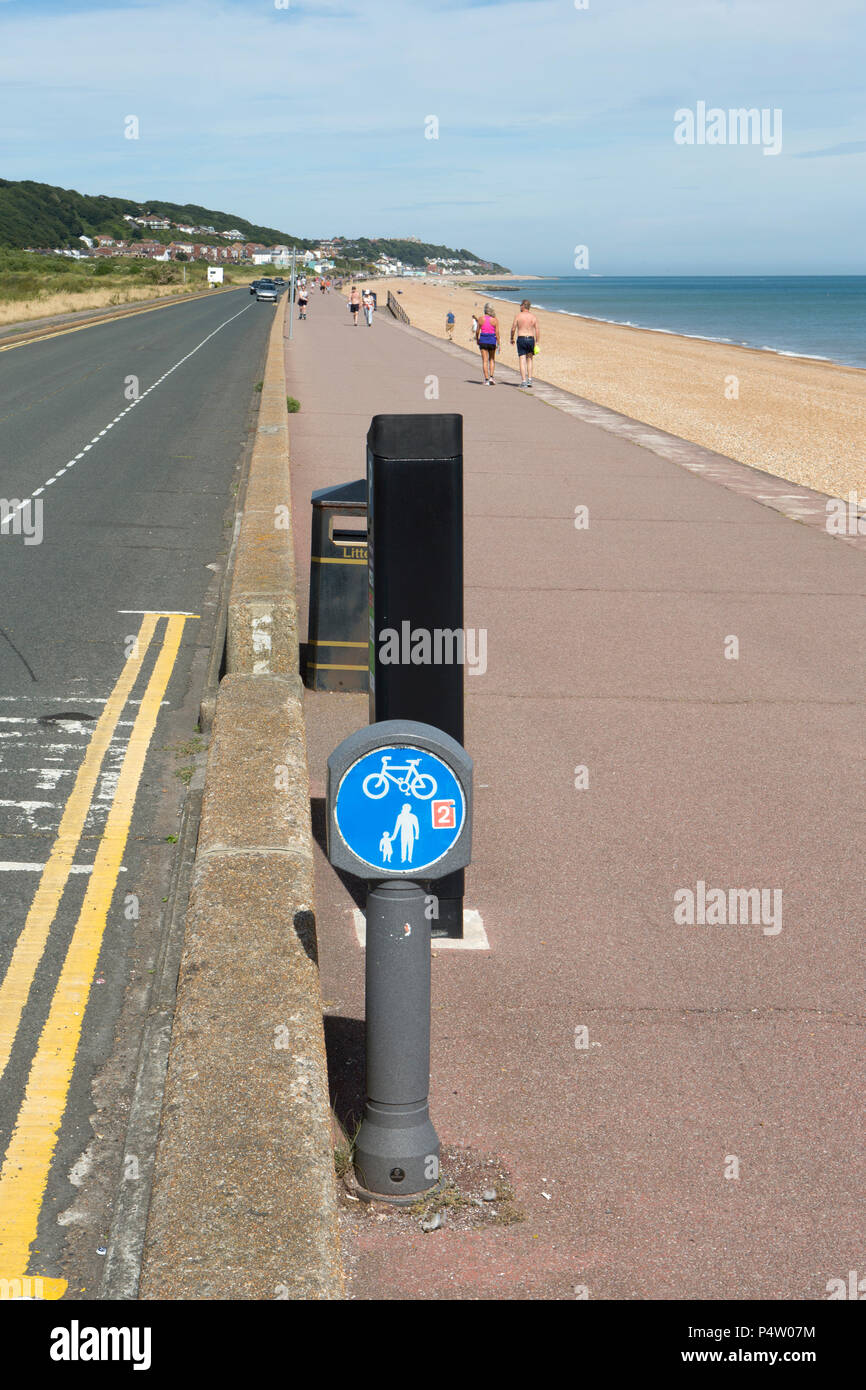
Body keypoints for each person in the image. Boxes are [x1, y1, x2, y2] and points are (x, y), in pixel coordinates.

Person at [510, 299, 540, 386]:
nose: (520, 306)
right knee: (530, 359)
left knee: (522, 359)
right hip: (531, 338)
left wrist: (511, 338)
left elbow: (513, 328)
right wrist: (537, 341)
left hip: (521, 338)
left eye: (520, 305)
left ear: (523, 306)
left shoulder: (518, 316)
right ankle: (530, 380)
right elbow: (537, 329)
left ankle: (524, 381)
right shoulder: (533, 317)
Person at [476, 302, 500, 385]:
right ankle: (491, 378)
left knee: (485, 361)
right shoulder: (495, 320)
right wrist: (499, 343)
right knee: (492, 359)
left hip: (483, 340)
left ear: (485, 309)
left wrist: (477, 339)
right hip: (492, 340)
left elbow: (477, 331)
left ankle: (486, 380)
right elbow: (497, 334)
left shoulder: (480, 319)